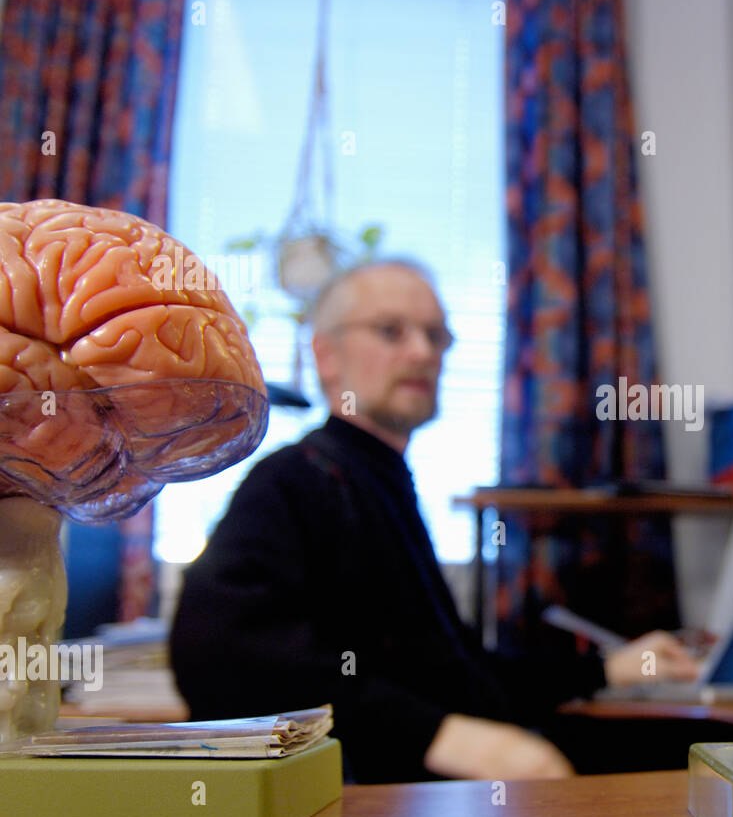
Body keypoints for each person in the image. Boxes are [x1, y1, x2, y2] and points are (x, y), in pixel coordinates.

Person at [170, 260, 700, 783]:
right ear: (326, 356)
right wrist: (438, 736)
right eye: (391, 331)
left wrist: (607, 669)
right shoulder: (296, 479)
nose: (423, 352)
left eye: (435, 336)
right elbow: (215, 654)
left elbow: (456, 672)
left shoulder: (383, 480)